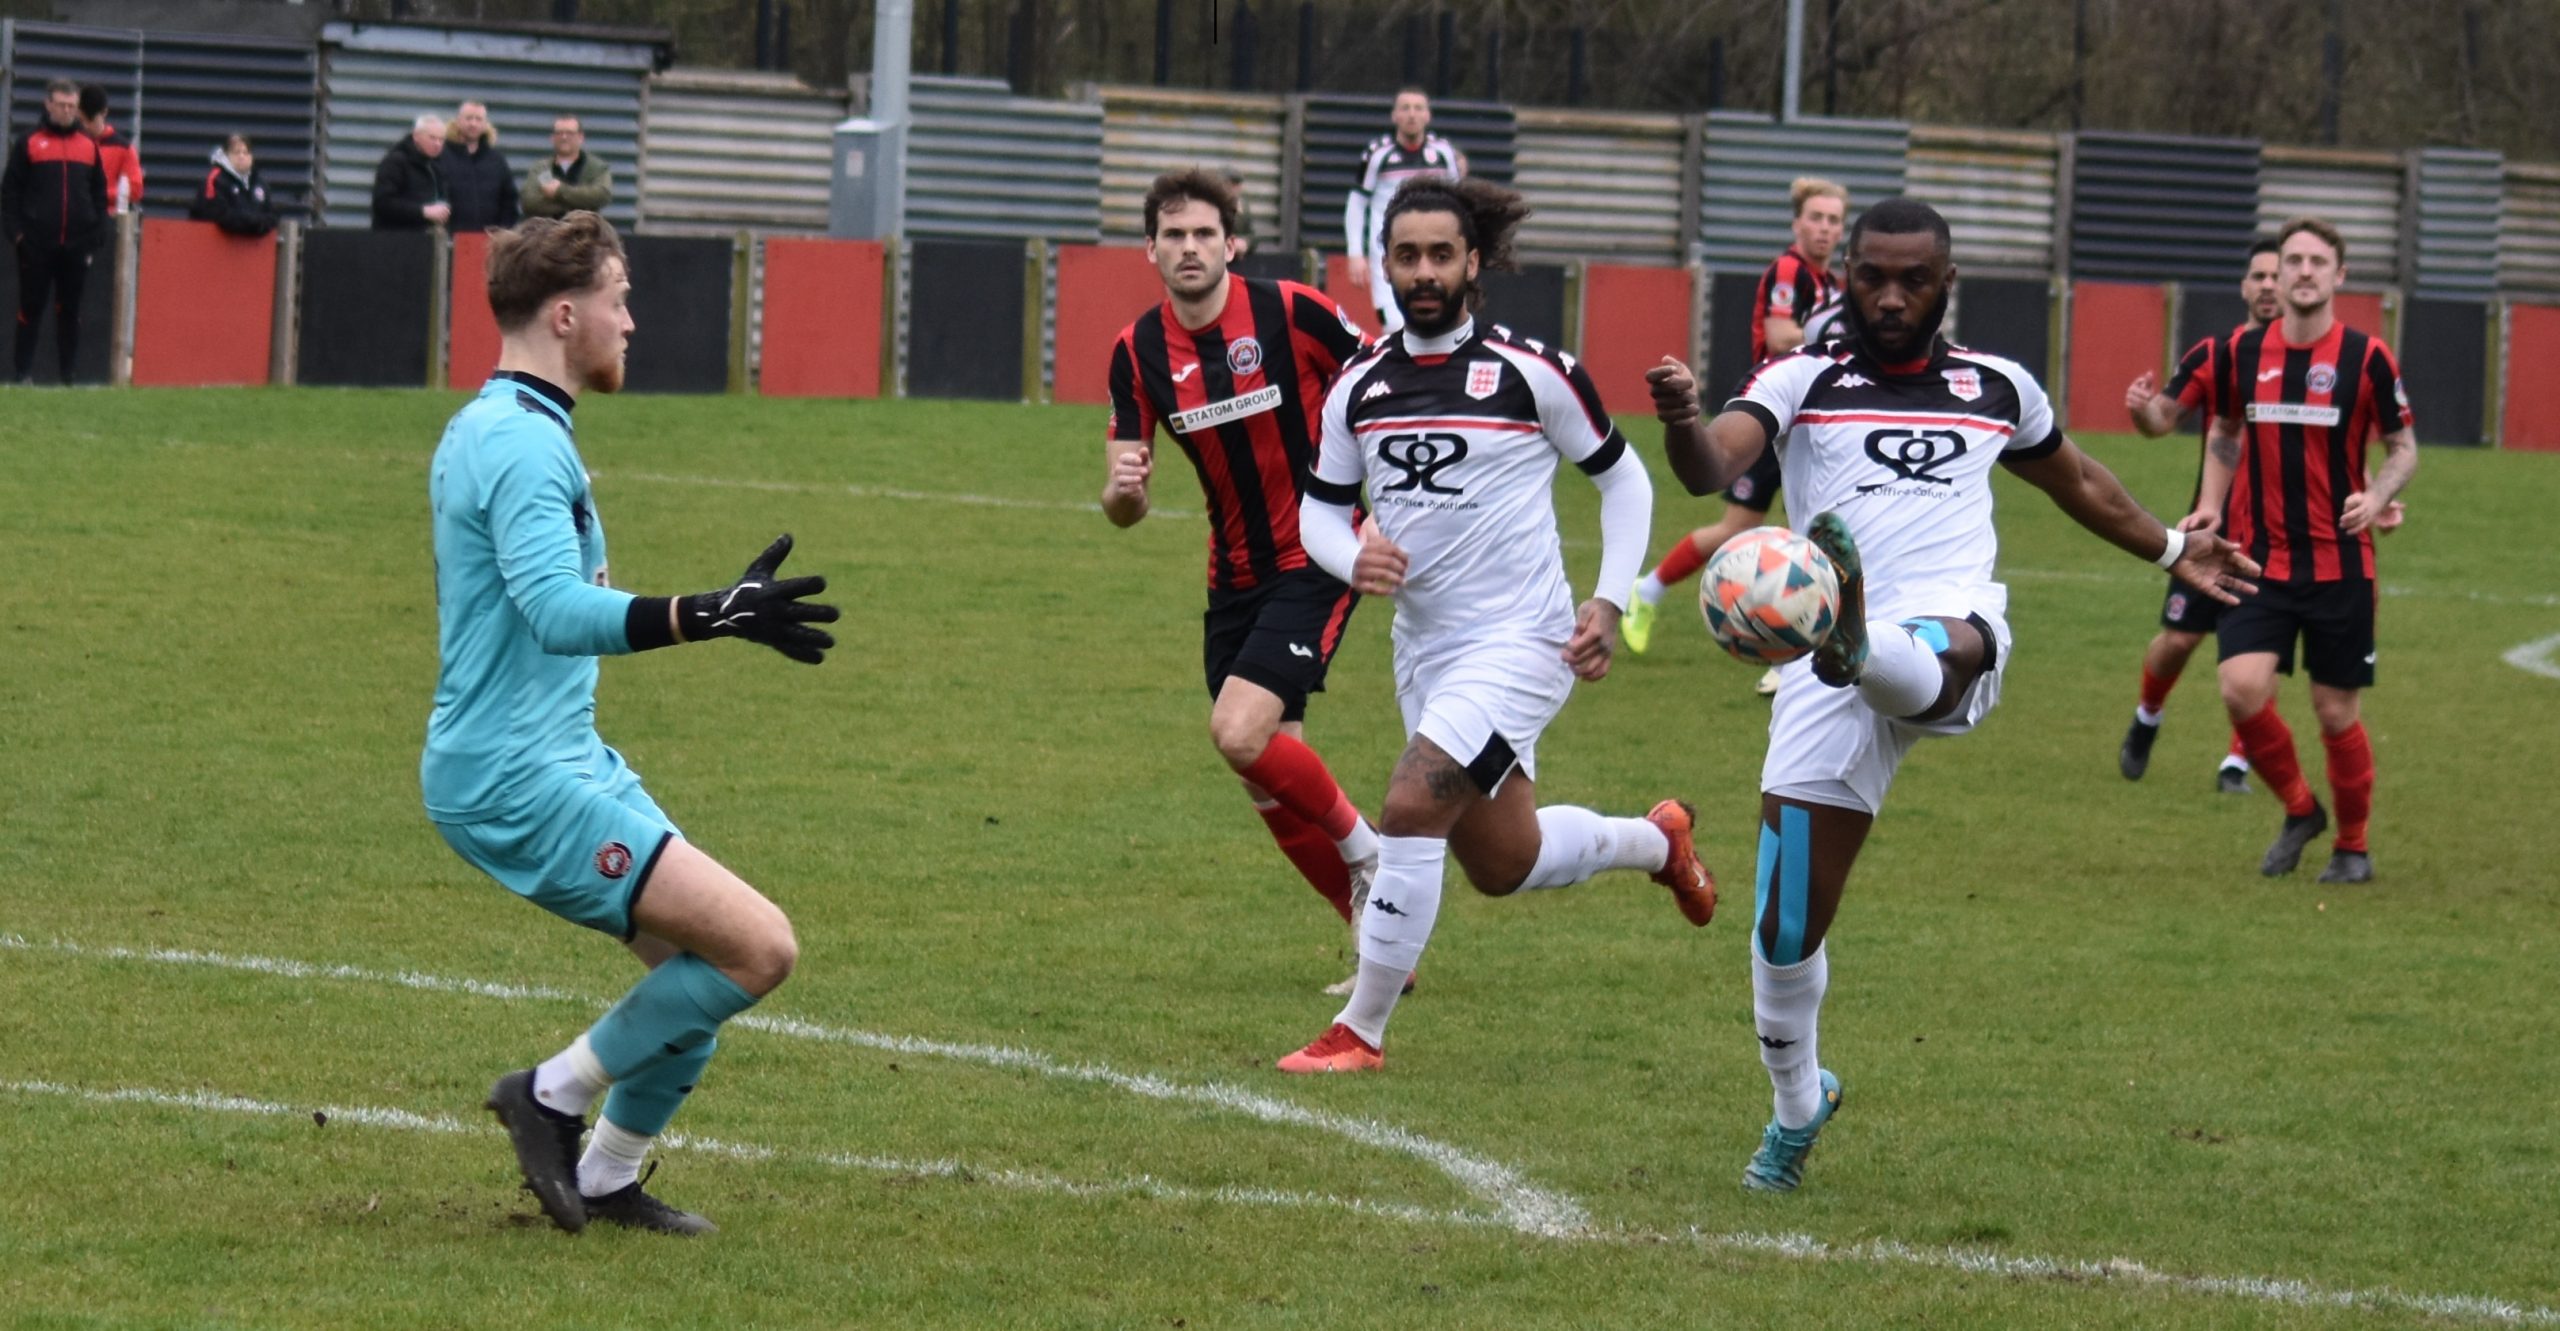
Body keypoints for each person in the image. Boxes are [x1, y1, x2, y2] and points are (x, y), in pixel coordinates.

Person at [1656, 197, 2259, 1192]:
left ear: (1946, 284)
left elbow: (2077, 479)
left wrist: (2167, 545)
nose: (1891, 297)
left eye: (1914, 280)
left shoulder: (1997, 387)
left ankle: (1859, 639)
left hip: (1951, 633)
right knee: (1781, 925)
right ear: (1844, 278)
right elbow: (1712, 464)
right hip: (1824, 666)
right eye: (1871, 278)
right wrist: (1682, 415)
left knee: (1935, 645)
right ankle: (1799, 1104)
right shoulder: (1802, 377)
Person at [425, 212, 840, 1235]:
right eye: (618, 297)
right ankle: (550, 1094)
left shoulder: (503, 424)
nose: (631, 320)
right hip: (515, 775)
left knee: (696, 977)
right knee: (759, 947)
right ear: (566, 315)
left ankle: (609, 1174)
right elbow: (553, 610)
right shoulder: (522, 445)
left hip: (559, 755)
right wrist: (709, 612)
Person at [1279, 176, 1717, 1074]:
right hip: (1425, 649)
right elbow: (1320, 511)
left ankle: (1359, 1031)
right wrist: (1347, 555)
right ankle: (1656, 839)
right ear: (1386, 266)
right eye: (1408, 256)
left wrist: (1609, 597)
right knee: (1501, 859)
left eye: (1443, 254)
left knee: (1409, 801)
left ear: (1474, 262)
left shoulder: (1530, 371)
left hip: (1522, 642)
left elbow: (1623, 479)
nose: (1426, 271)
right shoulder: (1358, 387)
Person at [1102, 169, 1386, 995]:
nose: (1188, 248)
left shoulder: (1291, 310)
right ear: (1149, 248)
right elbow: (1121, 501)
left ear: (1233, 243)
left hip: (1321, 550)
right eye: (1173, 234)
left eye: (1203, 234)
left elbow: (1383, 384)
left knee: (1237, 731)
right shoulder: (1136, 352)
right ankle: (1380, 948)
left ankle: (1371, 857)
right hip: (1233, 574)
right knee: (1266, 771)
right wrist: (1125, 494)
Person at [2196, 216, 2417, 885]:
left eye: (2317, 261)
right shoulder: (2240, 351)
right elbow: (2225, 429)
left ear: (2339, 275)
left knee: (2334, 710)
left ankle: (2352, 845)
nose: (2302, 271)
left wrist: (2376, 497)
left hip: (2340, 565)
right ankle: (2300, 808)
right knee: (2240, 687)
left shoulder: (2368, 357)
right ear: (2278, 272)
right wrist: (2211, 501)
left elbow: (2403, 447)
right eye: (2292, 260)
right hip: (2257, 556)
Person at [1623, 178, 1850, 696]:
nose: (1825, 228)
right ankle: (1655, 593)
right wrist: (1841, 332)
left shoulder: (1832, 282)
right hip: (1772, 418)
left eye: (1834, 220)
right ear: (1797, 223)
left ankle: (1791, 647)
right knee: (1754, 530)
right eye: (1816, 217)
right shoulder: (1790, 272)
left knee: (1808, 528)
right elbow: (1779, 335)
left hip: (1810, 423)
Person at [2117, 239, 2282, 793]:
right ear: (2244, 287)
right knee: (2179, 642)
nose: (2268, 285)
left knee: (2259, 652)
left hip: (2283, 533)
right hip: (2213, 526)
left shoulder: (2317, 366)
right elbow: (2162, 419)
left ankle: (2238, 762)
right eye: (2257, 275)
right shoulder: (2219, 353)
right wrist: (2142, 412)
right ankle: (2147, 717)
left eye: (2276, 275)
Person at [3, 79, 108, 385]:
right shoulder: (30, 142)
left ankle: (68, 376)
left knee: (70, 310)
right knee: (30, 308)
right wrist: (18, 236)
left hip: (76, 245)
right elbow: (10, 194)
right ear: (48, 104)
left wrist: (96, 231)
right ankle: (22, 374)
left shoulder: (89, 146)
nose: (66, 111)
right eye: (61, 105)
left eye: (72, 106)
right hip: (36, 244)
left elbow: (100, 194)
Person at [1341, 88, 1465, 335]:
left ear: (1428, 115)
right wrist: (1355, 252)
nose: (1412, 115)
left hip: (1434, 245)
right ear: (1394, 115)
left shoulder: (1443, 153)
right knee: (1396, 323)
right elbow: (1357, 202)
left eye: (1418, 108)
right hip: (1388, 248)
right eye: (1405, 108)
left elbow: (1457, 199)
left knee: (1440, 318)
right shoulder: (1378, 154)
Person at [439, 101, 521, 233]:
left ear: (485, 124)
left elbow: (509, 202)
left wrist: (501, 234)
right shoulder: (441, 156)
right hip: (450, 241)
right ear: (458, 121)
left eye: (478, 119)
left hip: (488, 243)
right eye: (469, 118)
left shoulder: (497, 160)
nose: (473, 123)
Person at [520, 115, 612, 220]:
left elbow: (602, 195)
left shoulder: (596, 168)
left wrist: (559, 191)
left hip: (585, 233)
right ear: (552, 138)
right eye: (559, 133)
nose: (564, 137)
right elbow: (529, 202)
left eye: (570, 133)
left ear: (581, 137)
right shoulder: (542, 169)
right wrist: (581, 203)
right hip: (548, 233)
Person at [190, 135, 279, 237]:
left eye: (246, 152)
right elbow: (217, 214)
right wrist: (251, 223)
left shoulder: (260, 184)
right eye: (236, 152)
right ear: (227, 156)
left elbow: (272, 215)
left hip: (253, 249)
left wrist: (259, 225)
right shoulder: (216, 180)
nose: (242, 156)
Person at [373, 114, 451, 231]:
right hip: (396, 240)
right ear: (416, 136)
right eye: (432, 138)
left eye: (441, 139)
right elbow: (383, 203)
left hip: (427, 240)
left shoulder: (437, 165)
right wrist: (423, 211)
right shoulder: (395, 162)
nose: (437, 144)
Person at [78, 85, 142, 216]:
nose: (86, 126)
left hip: (108, 219)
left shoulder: (124, 148)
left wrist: (97, 194)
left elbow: (135, 189)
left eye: (91, 120)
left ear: (104, 113)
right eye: (81, 120)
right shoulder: (73, 143)